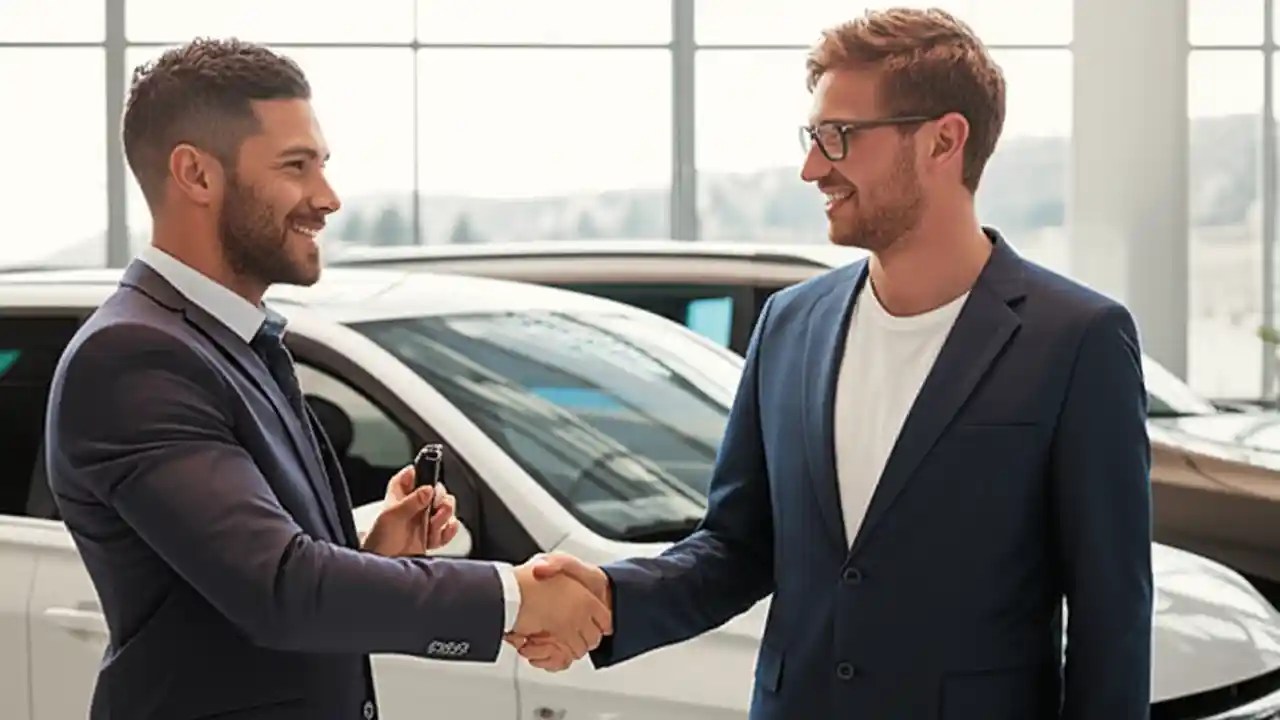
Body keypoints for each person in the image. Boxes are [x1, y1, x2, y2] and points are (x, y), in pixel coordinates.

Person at [512, 8, 1153, 720]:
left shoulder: (1077, 340)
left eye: (839, 137)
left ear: (944, 140)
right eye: (813, 136)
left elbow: (1112, 622)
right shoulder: (791, 324)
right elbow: (738, 546)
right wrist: (611, 598)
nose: (812, 167)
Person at [45, 38, 609, 720]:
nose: (328, 198)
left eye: (323, 165)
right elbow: (282, 589)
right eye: (296, 166)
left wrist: (375, 553)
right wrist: (514, 598)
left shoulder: (228, 341)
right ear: (195, 174)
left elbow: (238, 578)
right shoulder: (134, 358)